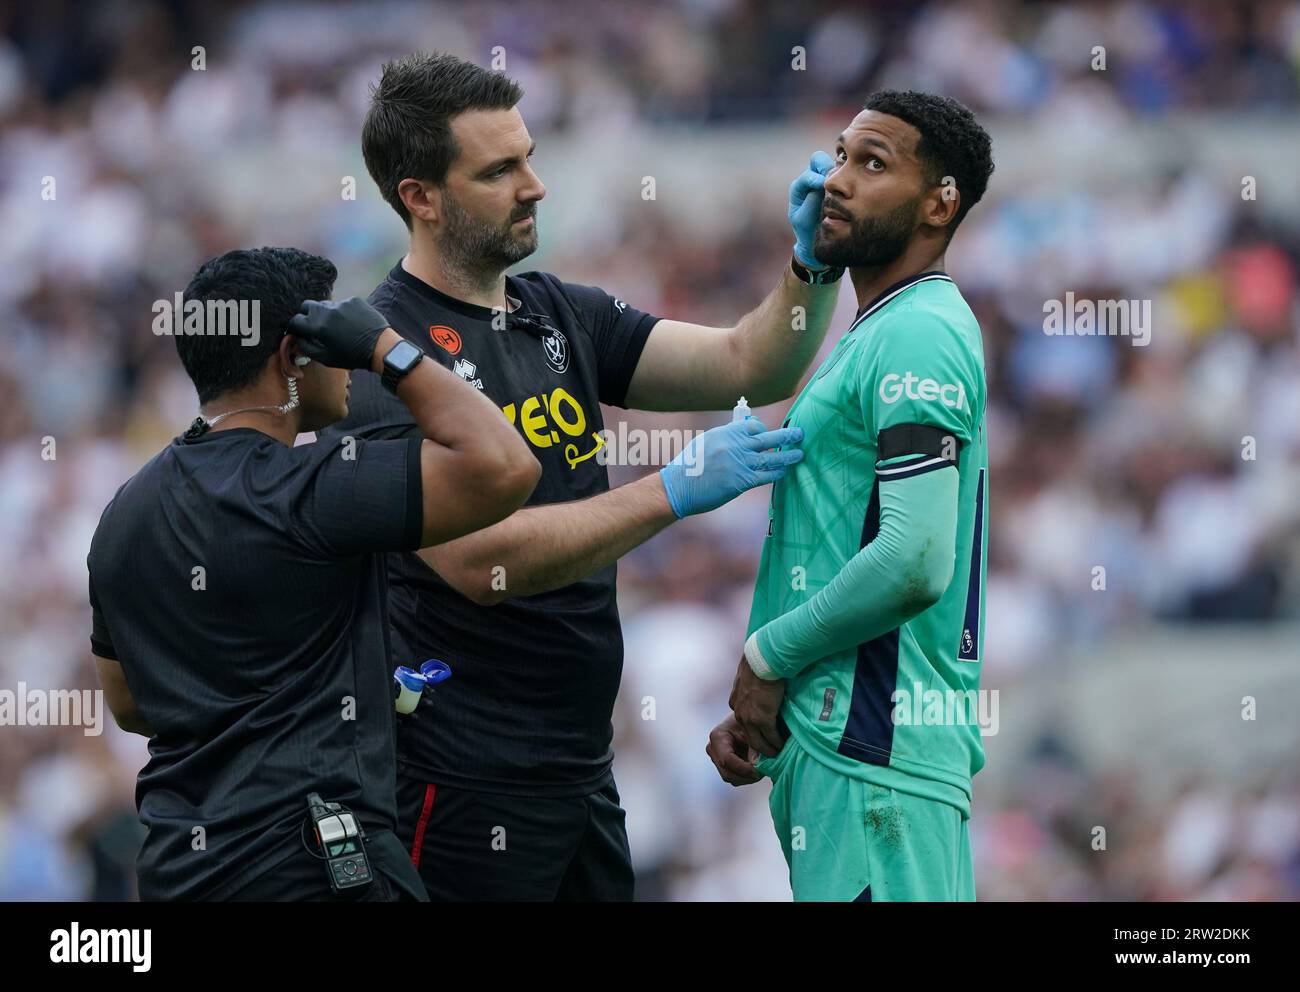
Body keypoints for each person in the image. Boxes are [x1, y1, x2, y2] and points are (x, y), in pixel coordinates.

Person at [330, 51, 838, 900]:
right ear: (420, 197)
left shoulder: (556, 312)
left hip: (580, 773)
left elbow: (751, 362)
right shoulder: (383, 356)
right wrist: (670, 491)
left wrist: (813, 265)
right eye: (499, 170)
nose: (535, 185)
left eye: (529, 156)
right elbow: (478, 561)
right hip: (458, 783)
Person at [87, 246, 540, 901]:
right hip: (318, 865)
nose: (349, 366)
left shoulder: (121, 513)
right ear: (295, 354)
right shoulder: (315, 486)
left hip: (180, 872)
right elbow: (506, 467)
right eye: (337, 339)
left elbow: (130, 704)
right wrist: (388, 349)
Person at [707, 90, 995, 902]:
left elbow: (912, 559)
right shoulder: (881, 326)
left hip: (876, 746)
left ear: (941, 203)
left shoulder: (921, 331)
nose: (837, 179)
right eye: (838, 156)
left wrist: (768, 657)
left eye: (872, 164)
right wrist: (781, 695)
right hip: (847, 743)